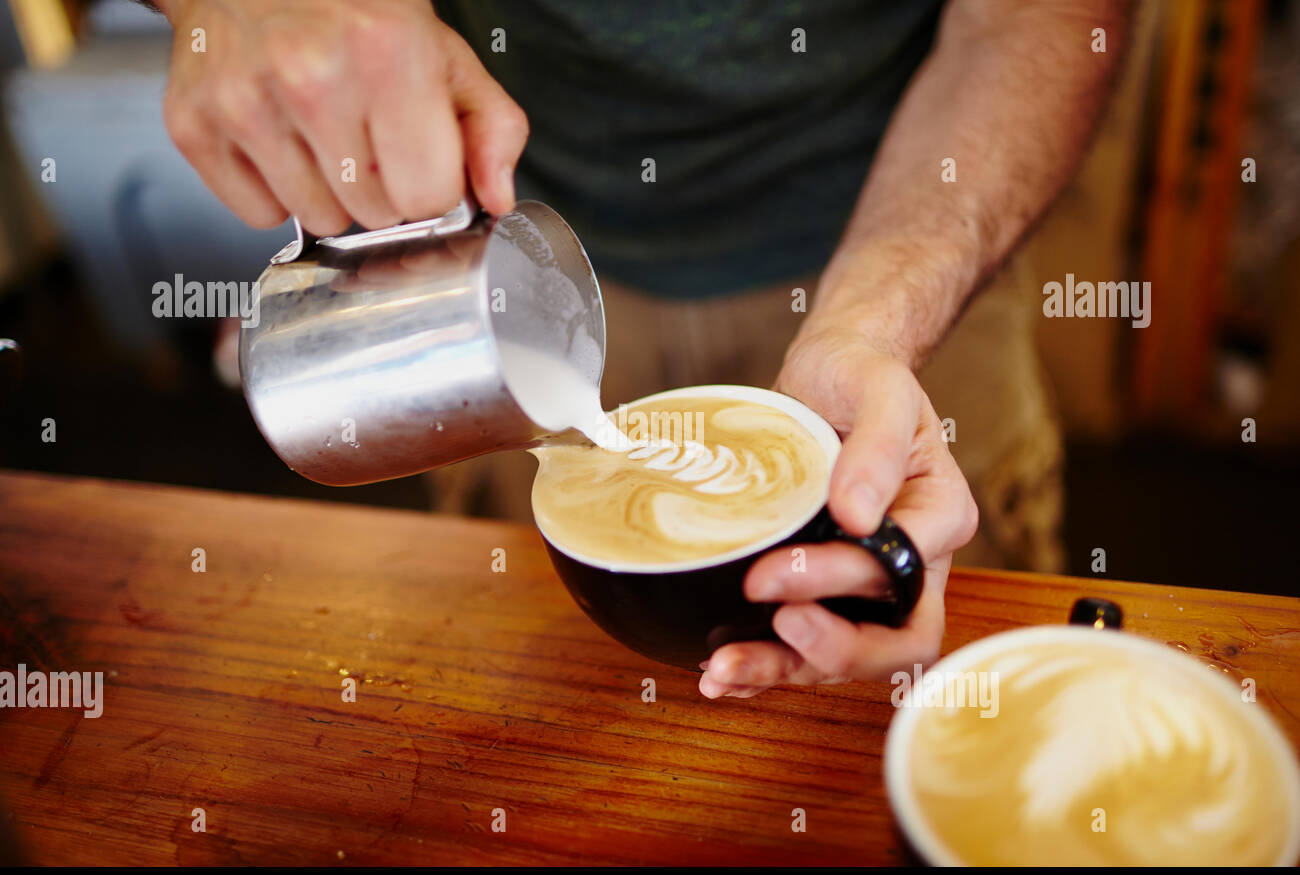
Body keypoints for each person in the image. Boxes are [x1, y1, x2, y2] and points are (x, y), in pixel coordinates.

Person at [150, 0, 1131, 698]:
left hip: (903, 244)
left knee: (937, 650)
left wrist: (872, 325)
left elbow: (1032, 21)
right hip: (507, 272)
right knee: (534, 668)